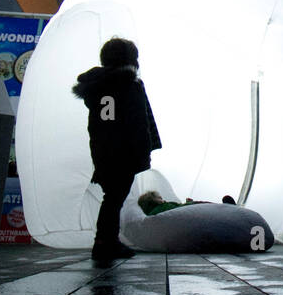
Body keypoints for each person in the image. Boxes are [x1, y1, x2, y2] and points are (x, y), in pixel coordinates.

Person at [73, 37, 162, 261]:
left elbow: (105, 123)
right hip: (121, 153)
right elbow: (135, 123)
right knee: (114, 199)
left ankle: (106, 241)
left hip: (105, 151)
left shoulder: (101, 88)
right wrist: (141, 153)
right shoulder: (125, 86)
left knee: (112, 197)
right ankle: (105, 242)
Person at [136, 190, 203, 216]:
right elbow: (180, 209)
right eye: (159, 198)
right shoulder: (163, 207)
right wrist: (190, 203)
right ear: (152, 200)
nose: (163, 200)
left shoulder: (150, 215)